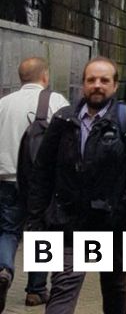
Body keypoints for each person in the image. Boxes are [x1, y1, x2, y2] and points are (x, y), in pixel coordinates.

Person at [26, 56, 126, 314]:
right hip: (67, 223)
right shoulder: (63, 121)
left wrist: (122, 212)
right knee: (62, 288)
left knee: (114, 286)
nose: (97, 85)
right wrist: (36, 217)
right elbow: (42, 170)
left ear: (115, 86)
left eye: (104, 80)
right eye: (91, 80)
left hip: (112, 225)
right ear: (83, 85)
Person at [0, 58, 69, 310]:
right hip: (41, 183)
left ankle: (4, 269)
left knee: (8, 230)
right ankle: (36, 291)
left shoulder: (2, 104)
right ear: (45, 76)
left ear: (21, 77)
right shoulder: (56, 102)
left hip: (6, 179)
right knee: (41, 233)